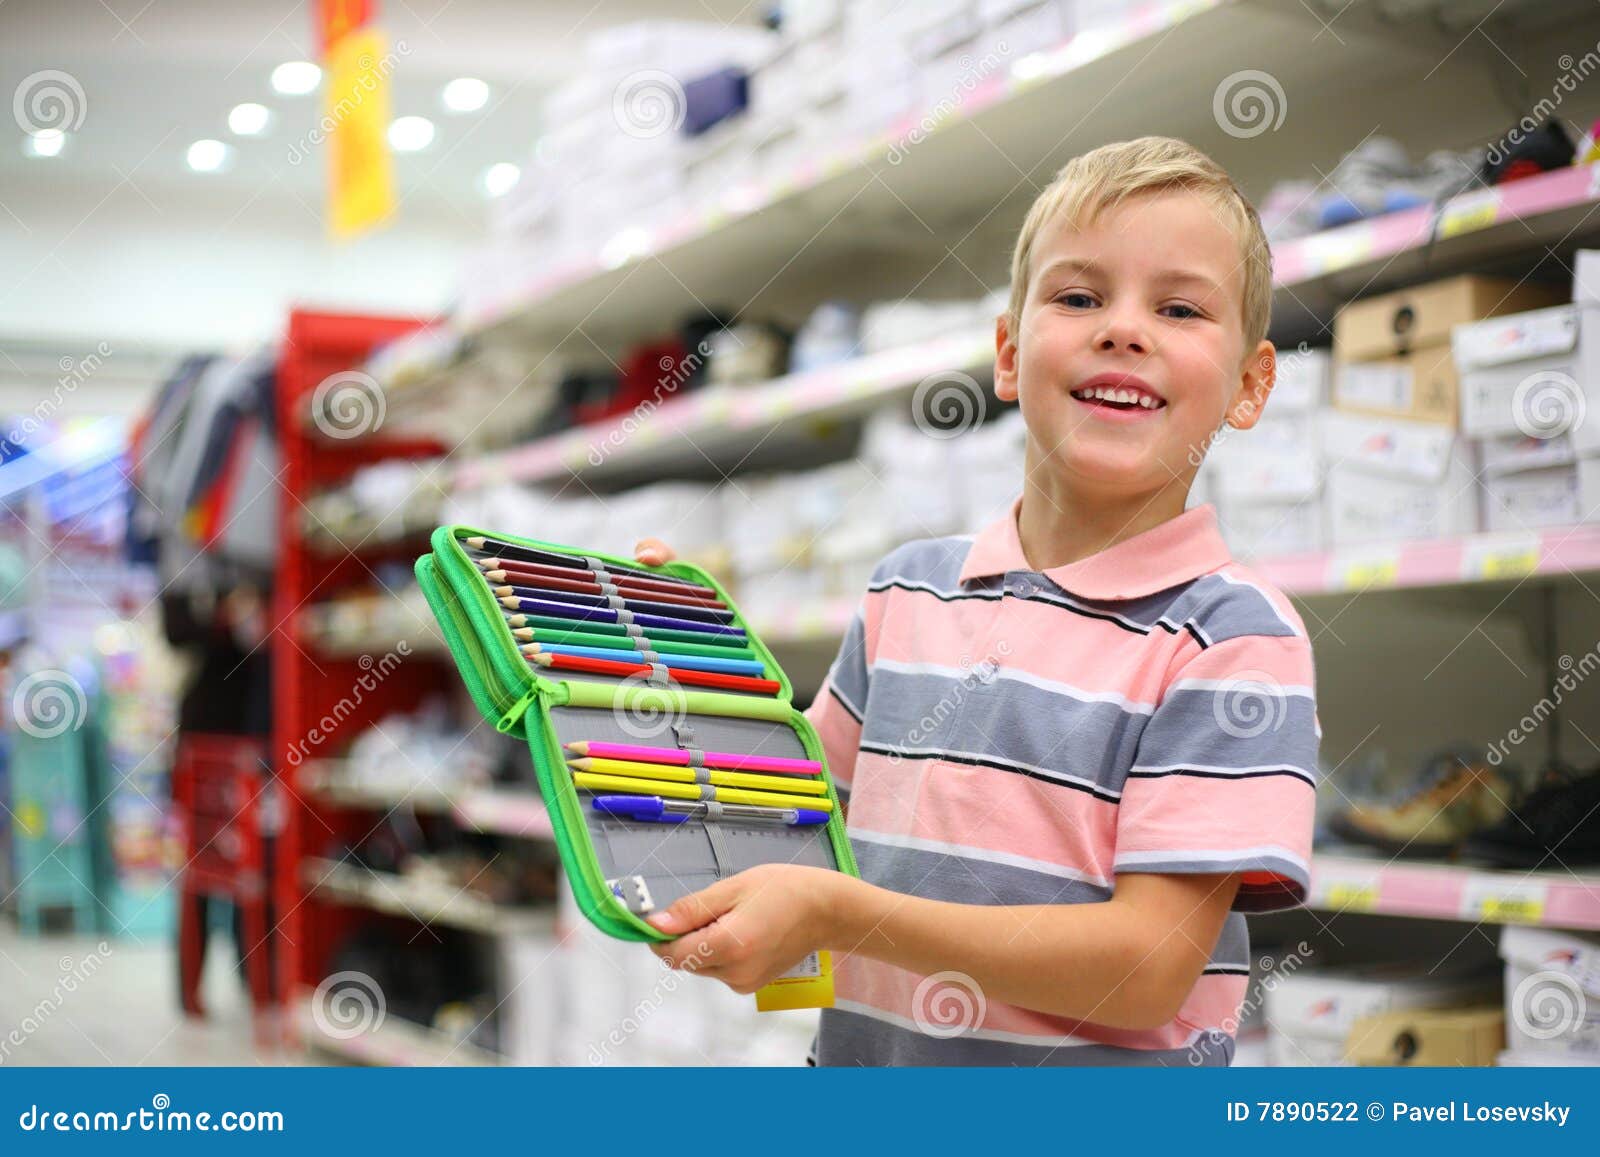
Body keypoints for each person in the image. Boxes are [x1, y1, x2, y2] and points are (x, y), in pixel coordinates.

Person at [633, 136, 1318, 1066]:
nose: (1123, 328)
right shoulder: (904, 590)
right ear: (1007, 352)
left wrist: (847, 915)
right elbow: (786, 825)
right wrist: (674, 661)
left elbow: (1146, 967)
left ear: (1249, 385)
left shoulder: (1233, 640)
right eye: (1078, 297)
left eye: (1180, 307)